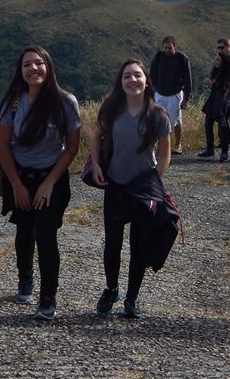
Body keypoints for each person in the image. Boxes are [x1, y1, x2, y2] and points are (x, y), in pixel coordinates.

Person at [0, 46, 81, 321]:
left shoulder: (66, 103)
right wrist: (18, 186)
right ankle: (25, 280)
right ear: (20, 72)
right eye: (26, 65)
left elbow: (71, 148)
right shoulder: (12, 103)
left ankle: (48, 297)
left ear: (48, 66)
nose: (33, 69)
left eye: (38, 63)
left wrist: (49, 184)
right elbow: (3, 146)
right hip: (19, 176)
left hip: (52, 178)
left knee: (45, 234)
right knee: (24, 232)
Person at [86, 59, 173, 319]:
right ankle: (111, 289)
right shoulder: (112, 109)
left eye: (137, 76)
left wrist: (153, 182)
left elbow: (166, 154)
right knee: (112, 243)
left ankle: (132, 298)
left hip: (143, 190)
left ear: (146, 81)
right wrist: (97, 165)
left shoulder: (158, 114)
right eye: (127, 76)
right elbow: (95, 135)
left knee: (139, 245)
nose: (132, 80)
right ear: (120, 82)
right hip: (114, 184)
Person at [201, 37, 230, 157]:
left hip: (227, 98)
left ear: (228, 46)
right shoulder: (217, 67)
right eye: (218, 48)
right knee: (209, 123)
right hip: (215, 98)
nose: (219, 51)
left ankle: (229, 147)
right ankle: (210, 148)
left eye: (222, 48)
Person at [149, 36, 192, 154]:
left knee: (173, 121)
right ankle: (160, 146)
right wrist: (151, 92)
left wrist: (186, 99)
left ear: (175, 46)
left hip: (175, 94)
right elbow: (152, 75)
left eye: (170, 48)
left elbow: (188, 79)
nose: (167, 50)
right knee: (158, 120)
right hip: (160, 94)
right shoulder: (159, 56)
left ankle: (177, 145)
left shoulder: (182, 58)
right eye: (165, 48)